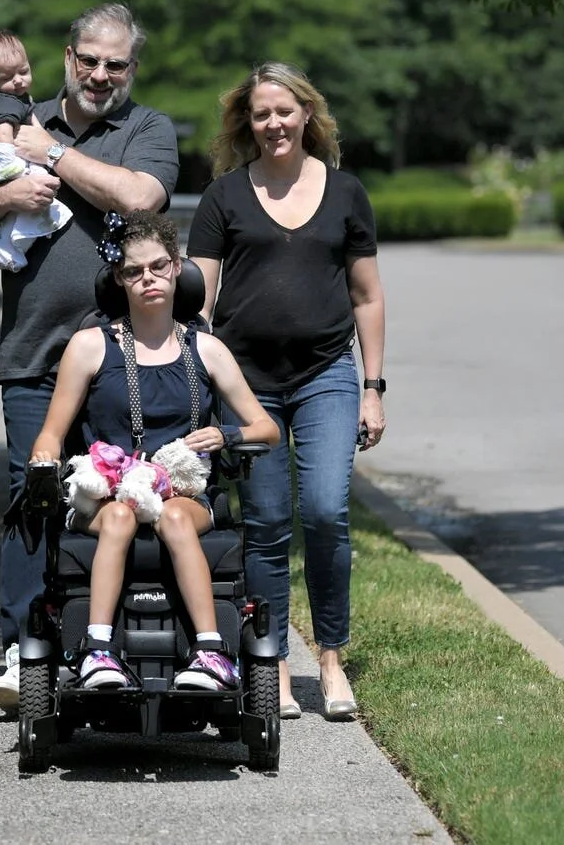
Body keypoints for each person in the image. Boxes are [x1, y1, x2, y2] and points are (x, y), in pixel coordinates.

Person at [0, 3, 180, 711]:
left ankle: (111, 643)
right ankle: (24, 649)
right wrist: (10, 191)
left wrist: (52, 156)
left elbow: (140, 196)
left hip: (126, 357)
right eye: (89, 60)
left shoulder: (146, 128)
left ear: (131, 69)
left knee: (119, 496)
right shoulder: (12, 113)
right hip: (32, 352)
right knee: (33, 495)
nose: (100, 74)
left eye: (116, 64)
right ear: (68, 56)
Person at [186, 61, 387, 721]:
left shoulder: (347, 193)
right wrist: (198, 379)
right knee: (268, 525)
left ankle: (331, 661)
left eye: (284, 110)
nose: (273, 122)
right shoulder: (223, 199)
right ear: (247, 122)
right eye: (260, 113)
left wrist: (373, 387)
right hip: (248, 385)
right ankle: (271, 661)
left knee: (327, 512)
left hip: (327, 373)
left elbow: (368, 295)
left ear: (307, 114)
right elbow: (201, 302)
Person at [29, 210, 280, 690]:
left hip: (180, 491)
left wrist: (226, 435)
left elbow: (265, 428)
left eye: (159, 266)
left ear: (177, 267)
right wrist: (44, 458)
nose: (148, 279)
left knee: (175, 517)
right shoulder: (88, 346)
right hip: (106, 492)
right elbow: (51, 433)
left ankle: (211, 654)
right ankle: (97, 653)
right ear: (118, 279)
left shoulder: (206, 349)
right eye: (133, 271)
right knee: (123, 516)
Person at [0, 31, 72, 273]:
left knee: (4, 219)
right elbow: (3, 135)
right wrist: (15, 167)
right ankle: (11, 247)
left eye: (23, 71)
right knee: (36, 193)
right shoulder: (7, 102)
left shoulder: (3, 97)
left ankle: (4, 245)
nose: (19, 81)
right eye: (7, 77)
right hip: (2, 161)